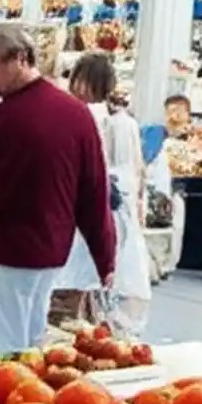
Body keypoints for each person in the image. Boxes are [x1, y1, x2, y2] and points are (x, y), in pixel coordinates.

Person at [0, 24, 115, 355]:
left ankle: (10, 401)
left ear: (20, 58)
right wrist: (106, 257)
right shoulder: (76, 114)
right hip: (49, 254)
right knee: (31, 341)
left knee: (8, 345)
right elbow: (94, 193)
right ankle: (32, 400)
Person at [65, 52, 152, 335]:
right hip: (112, 203)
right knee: (94, 273)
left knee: (82, 271)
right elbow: (136, 170)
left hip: (96, 203)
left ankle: (82, 324)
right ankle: (91, 324)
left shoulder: (95, 117)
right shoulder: (120, 120)